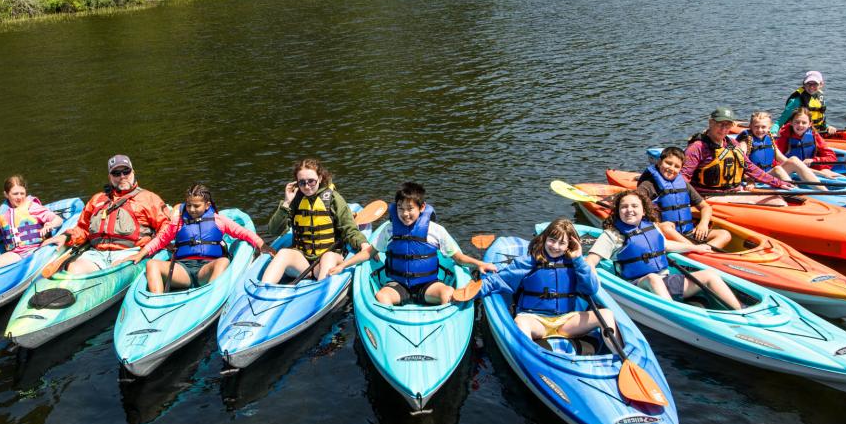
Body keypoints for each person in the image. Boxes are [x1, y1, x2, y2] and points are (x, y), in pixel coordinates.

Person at [330, 182, 496, 305]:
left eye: (410, 209)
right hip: (398, 285)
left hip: (428, 285)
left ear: (422, 207)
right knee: (381, 297)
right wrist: (343, 265)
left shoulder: (435, 230)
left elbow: (458, 257)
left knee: (448, 293)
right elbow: (369, 253)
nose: (405, 214)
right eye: (401, 208)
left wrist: (479, 264)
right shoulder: (389, 229)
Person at [585, 190, 744, 310]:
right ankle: (676, 313)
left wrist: (695, 247)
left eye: (634, 206)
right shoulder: (612, 235)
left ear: (643, 210)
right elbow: (590, 262)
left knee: (709, 275)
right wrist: (591, 283)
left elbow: (666, 245)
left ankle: (739, 311)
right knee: (653, 278)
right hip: (636, 286)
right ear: (618, 211)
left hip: (665, 281)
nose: (629, 210)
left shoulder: (652, 226)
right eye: (624, 207)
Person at [474, 218, 616, 345]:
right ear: (544, 238)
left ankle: (623, 360)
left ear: (570, 245)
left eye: (562, 243)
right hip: (535, 320)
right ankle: (532, 357)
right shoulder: (528, 262)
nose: (555, 246)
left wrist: (578, 259)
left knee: (606, 314)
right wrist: (467, 293)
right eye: (552, 240)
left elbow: (590, 289)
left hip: (565, 322)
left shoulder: (576, 264)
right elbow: (497, 281)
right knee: (521, 322)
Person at [41, 155, 170, 274]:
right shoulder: (97, 199)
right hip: (97, 254)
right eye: (116, 173)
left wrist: (146, 251)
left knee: (117, 270)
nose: (122, 176)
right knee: (74, 268)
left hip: (130, 253)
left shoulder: (148, 198)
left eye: (126, 171)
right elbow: (83, 229)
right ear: (110, 177)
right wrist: (66, 237)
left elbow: (167, 228)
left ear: (133, 172)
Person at [133, 183, 267, 294]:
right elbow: (159, 240)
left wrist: (262, 245)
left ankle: (210, 296)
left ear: (207, 205)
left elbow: (244, 233)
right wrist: (141, 253)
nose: (191, 209)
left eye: (196, 206)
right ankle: (157, 302)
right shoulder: (178, 222)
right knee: (152, 264)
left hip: (206, 270)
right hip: (183, 269)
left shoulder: (218, 220)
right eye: (189, 205)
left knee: (223, 262)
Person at [261, 158, 370, 284]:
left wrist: (363, 244)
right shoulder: (294, 200)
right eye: (302, 182)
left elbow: (349, 229)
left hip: (329, 258)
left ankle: (321, 293)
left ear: (320, 177)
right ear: (297, 183)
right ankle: (263, 290)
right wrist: (286, 203)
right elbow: (273, 231)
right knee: (283, 253)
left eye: (311, 181)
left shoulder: (333, 199)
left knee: (327, 257)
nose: (307, 186)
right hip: (302, 262)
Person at [681, 107, 793, 201]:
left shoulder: (732, 144)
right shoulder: (697, 148)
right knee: (753, 206)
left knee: (777, 201)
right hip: (710, 197)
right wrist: (695, 201)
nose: (724, 129)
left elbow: (749, 167)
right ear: (711, 123)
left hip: (735, 192)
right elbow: (683, 179)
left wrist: (777, 182)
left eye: (728, 125)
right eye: (720, 124)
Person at [637, 147, 731, 249]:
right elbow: (636, 206)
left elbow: (705, 207)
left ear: (681, 169)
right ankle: (698, 250)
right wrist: (657, 225)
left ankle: (701, 252)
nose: (671, 168)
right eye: (668, 163)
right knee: (666, 228)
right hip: (666, 234)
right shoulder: (648, 185)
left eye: (677, 166)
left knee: (725, 235)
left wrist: (703, 224)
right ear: (659, 162)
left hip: (688, 232)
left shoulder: (683, 185)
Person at [0, 175, 64, 270]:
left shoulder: (33, 207)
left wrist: (51, 225)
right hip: (15, 253)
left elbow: (58, 219)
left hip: (36, 248)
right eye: (15, 194)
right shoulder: (2, 214)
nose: (19, 197)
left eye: (22, 193)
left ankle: (59, 239)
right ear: (6, 194)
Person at [736, 111, 832, 189]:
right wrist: (749, 180)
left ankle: (824, 191)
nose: (760, 130)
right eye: (756, 127)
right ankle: (796, 190)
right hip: (755, 177)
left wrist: (820, 173)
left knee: (793, 159)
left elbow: (786, 161)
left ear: (769, 127)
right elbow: (739, 165)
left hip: (768, 174)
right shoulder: (745, 143)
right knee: (778, 169)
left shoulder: (769, 139)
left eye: (763, 127)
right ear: (750, 126)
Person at [776, 108, 842, 179]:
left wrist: (814, 160)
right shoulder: (784, 137)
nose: (800, 125)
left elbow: (831, 157)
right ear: (791, 123)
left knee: (835, 173)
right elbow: (775, 161)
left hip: (812, 169)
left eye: (804, 123)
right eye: (797, 122)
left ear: (810, 124)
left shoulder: (814, 135)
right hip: (792, 172)